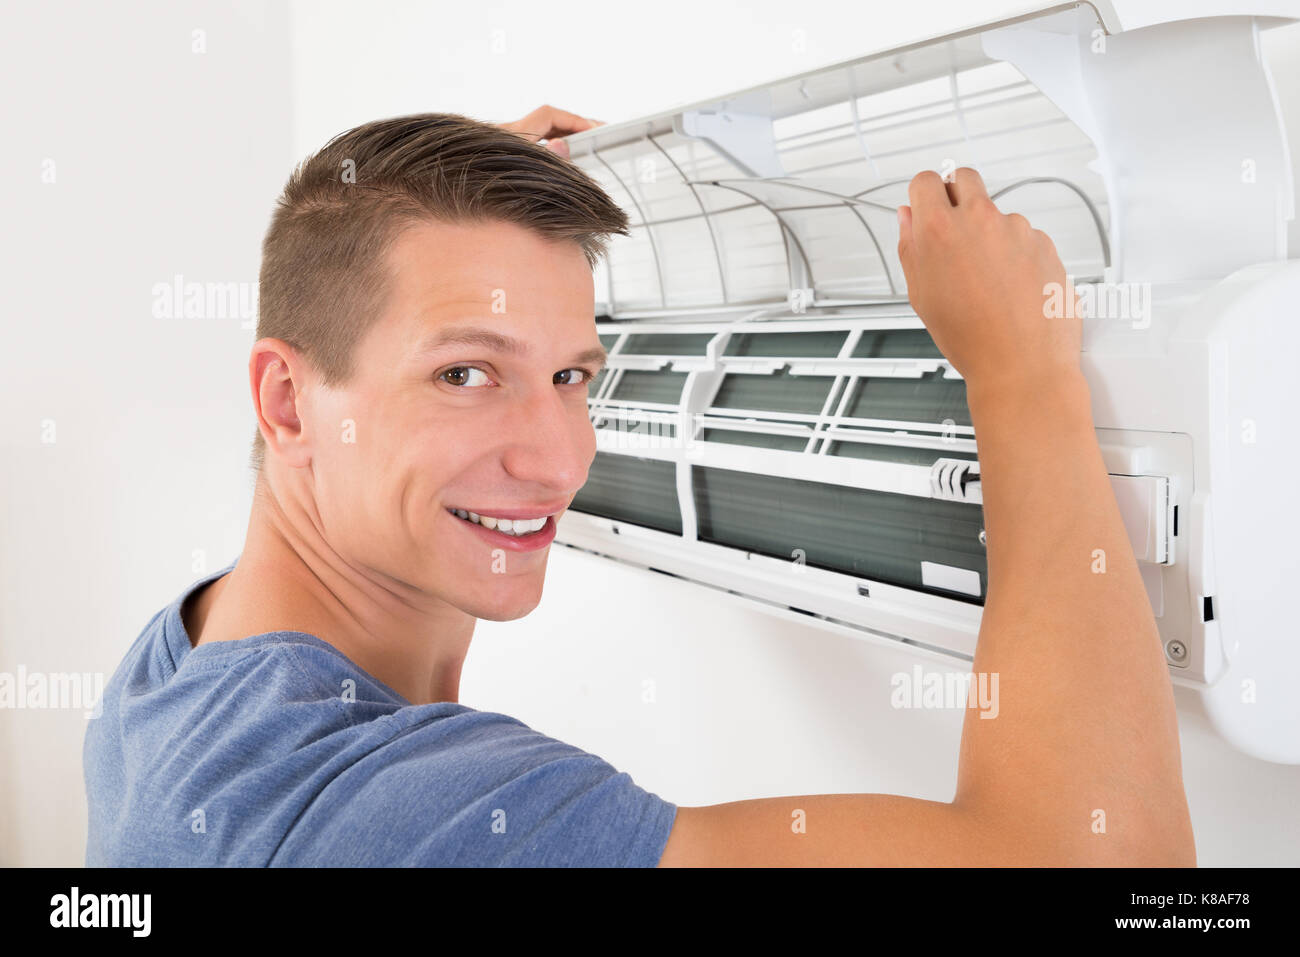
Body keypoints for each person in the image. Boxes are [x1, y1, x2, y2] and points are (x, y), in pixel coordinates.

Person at [84, 105, 1196, 867]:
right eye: (465, 373)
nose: (558, 459)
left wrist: (430, 203)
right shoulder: (396, 815)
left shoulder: (172, 677)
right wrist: (1020, 372)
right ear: (286, 403)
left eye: (571, 375)